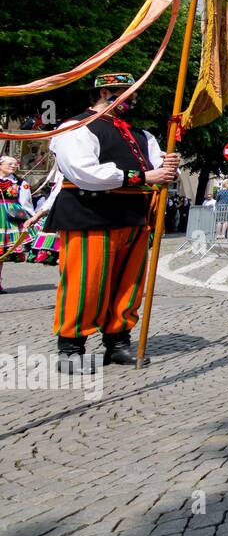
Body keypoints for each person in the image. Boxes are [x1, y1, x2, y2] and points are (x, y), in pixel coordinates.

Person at [45, 73, 180, 370]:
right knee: (86, 283)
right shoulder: (75, 127)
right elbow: (84, 172)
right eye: (126, 93)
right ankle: (71, 348)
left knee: (129, 285)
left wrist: (169, 168)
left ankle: (118, 342)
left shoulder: (142, 135)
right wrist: (145, 177)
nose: (133, 100)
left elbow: (159, 170)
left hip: (133, 217)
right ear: (105, 92)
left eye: (133, 95)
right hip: (90, 214)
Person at [0, 154, 36, 292]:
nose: (14, 166)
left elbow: (26, 203)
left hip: (9, 219)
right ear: (0, 165)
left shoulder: (20, 183)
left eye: (15, 164)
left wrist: (33, 217)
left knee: (2, 251)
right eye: (10, 164)